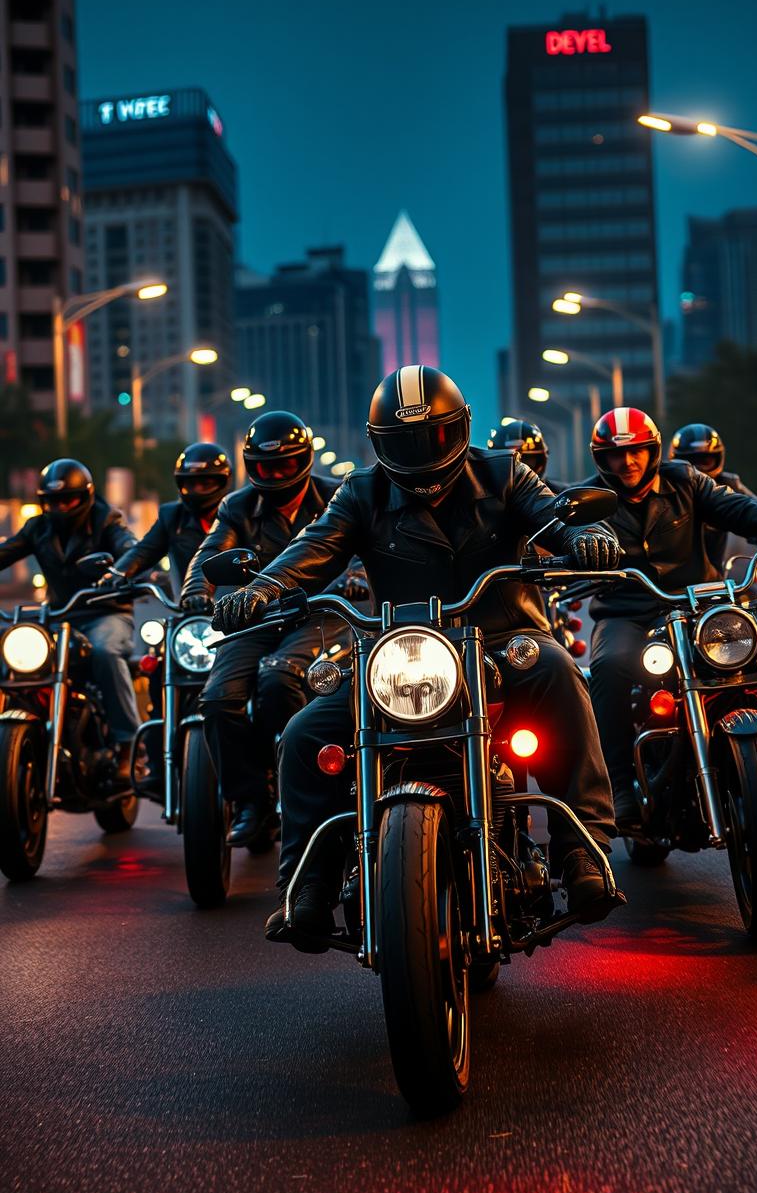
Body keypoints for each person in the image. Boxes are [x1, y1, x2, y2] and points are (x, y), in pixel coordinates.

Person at [212, 365, 621, 942]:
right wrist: (261, 589)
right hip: (400, 654)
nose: (420, 452)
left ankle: (582, 851)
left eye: (431, 436)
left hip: (504, 645)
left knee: (559, 672)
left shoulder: (504, 473)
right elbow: (313, 549)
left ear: (460, 431)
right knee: (305, 734)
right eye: (403, 441)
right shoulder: (361, 492)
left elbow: (551, 514)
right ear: (381, 444)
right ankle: (308, 883)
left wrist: (581, 539)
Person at [585, 408, 757, 826]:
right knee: (607, 667)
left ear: (653, 451)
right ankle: (621, 787)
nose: (627, 463)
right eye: (615, 455)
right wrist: (577, 551)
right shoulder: (594, 499)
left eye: (636, 452)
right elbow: (566, 531)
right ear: (601, 459)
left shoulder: (685, 479)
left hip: (702, 597)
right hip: (628, 609)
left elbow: (737, 507)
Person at [180, 411, 344, 846]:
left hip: (321, 617)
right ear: (251, 466)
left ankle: (303, 785)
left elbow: (359, 542)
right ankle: (251, 799)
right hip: (255, 617)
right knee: (216, 699)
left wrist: (359, 574)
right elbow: (210, 550)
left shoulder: (337, 496)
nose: (275, 474)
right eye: (265, 467)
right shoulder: (237, 506)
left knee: (278, 677)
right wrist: (198, 586)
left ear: (304, 460)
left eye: (286, 465)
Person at [0, 459, 141, 781]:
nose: (62, 507)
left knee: (105, 652)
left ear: (86, 496)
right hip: (59, 617)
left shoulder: (107, 519)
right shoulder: (38, 527)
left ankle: (127, 745)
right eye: (53, 501)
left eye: (69, 500)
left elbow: (130, 548)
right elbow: (7, 551)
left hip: (106, 612)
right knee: (13, 653)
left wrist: (124, 571)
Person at [112, 443, 232, 595]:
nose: (198, 490)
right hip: (190, 607)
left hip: (238, 610)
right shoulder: (172, 516)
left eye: (206, 483)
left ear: (224, 481)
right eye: (191, 484)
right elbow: (143, 551)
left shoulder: (238, 513)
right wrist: (117, 573)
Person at [668, 423, 757, 573]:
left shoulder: (729, 485)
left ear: (718, 458)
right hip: (664, 588)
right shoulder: (664, 487)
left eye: (705, 461)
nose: (697, 471)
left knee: (755, 597)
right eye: (690, 463)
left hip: (716, 582)